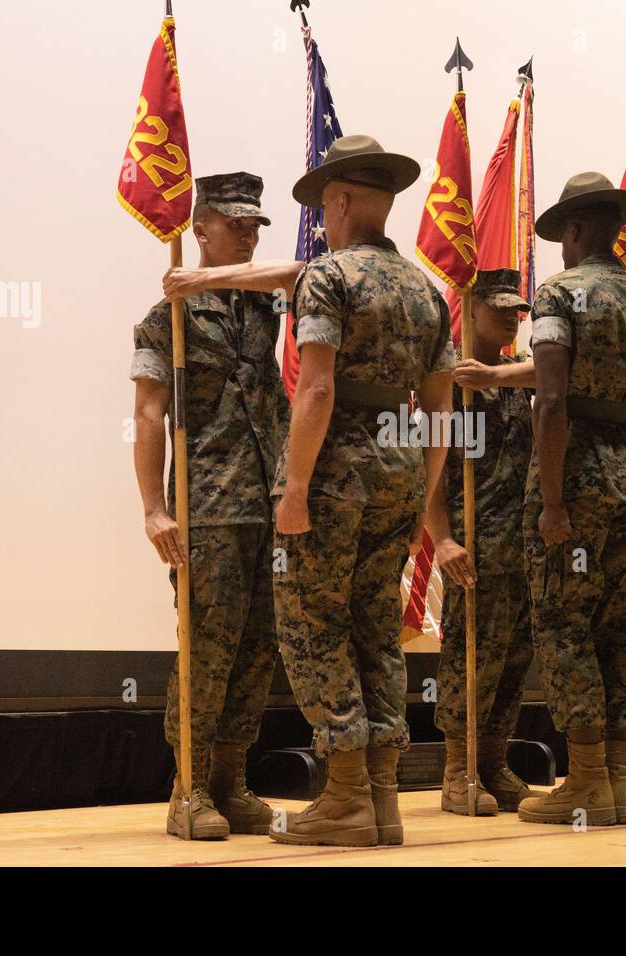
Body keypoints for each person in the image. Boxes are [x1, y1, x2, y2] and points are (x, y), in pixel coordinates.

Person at [268, 135, 456, 846]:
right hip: (402, 468)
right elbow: (442, 411)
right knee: (377, 627)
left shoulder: (327, 277)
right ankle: (381, 800)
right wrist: (424, 504)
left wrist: (295, 488)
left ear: (343, 200)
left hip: (336, 467)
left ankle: (346, 795)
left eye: (324, 206)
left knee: (312, 624)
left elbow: (315, 387)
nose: (322, 219)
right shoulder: (427, 290)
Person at [516, 172, 626, 827]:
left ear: (578, 230)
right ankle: (616, 775)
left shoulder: (558, 295)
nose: (559, 247)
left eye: (562, 235)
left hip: (577, 469)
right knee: (616, 629)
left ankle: (585, 782)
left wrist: (553, 501)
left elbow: (551, 400)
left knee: (563, 625)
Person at [131, 172, 288, 840]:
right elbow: (147, 413)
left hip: (272, 505)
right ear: (201, 227)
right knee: (207, 649)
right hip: (210, 505)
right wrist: (153, 509)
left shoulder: (264, 305)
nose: (249, 233)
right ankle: (188, 788)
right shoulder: (165, 317)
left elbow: (304, 274)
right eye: (236, 222)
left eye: (256, 224)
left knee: (259, 648)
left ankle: (232, 779)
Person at [425, 268, 544, 815]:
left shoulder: (515, 376)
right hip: (476, 542)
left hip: (522, 541)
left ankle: (493, 760)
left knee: (515, 658)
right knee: (469, 657)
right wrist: (442, 538)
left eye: (516, 311)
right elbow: (427, 466)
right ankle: (459, 770)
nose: (510, 318)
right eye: (498, 309)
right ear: (469, 309)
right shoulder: (442, 375)